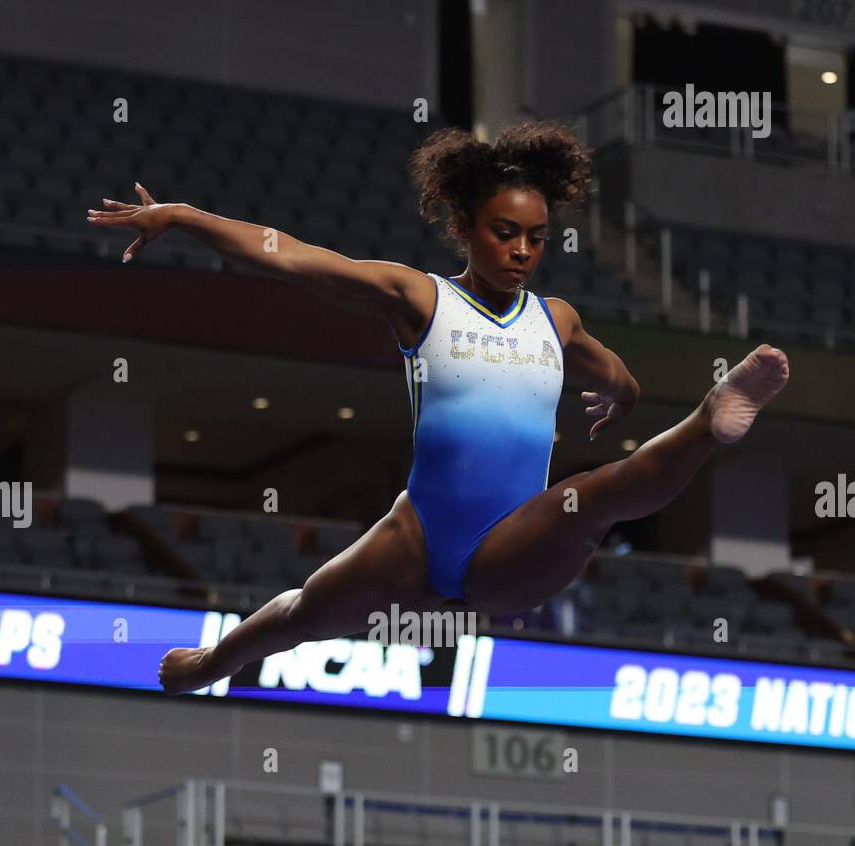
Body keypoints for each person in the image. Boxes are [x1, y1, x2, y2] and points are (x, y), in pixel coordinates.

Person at [85, 120, 789, 695]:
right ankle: (212, 664)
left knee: (592, 498)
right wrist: (181, 215)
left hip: (514, 543)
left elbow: (614, 373)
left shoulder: (557, 320)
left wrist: (622, 393)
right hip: (418, 536)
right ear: (463, 226)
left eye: (536, 238)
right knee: (305, 612)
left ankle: (707, 421)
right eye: (503, 233)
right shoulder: (420, 299)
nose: (520, 252)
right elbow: (291, 256)